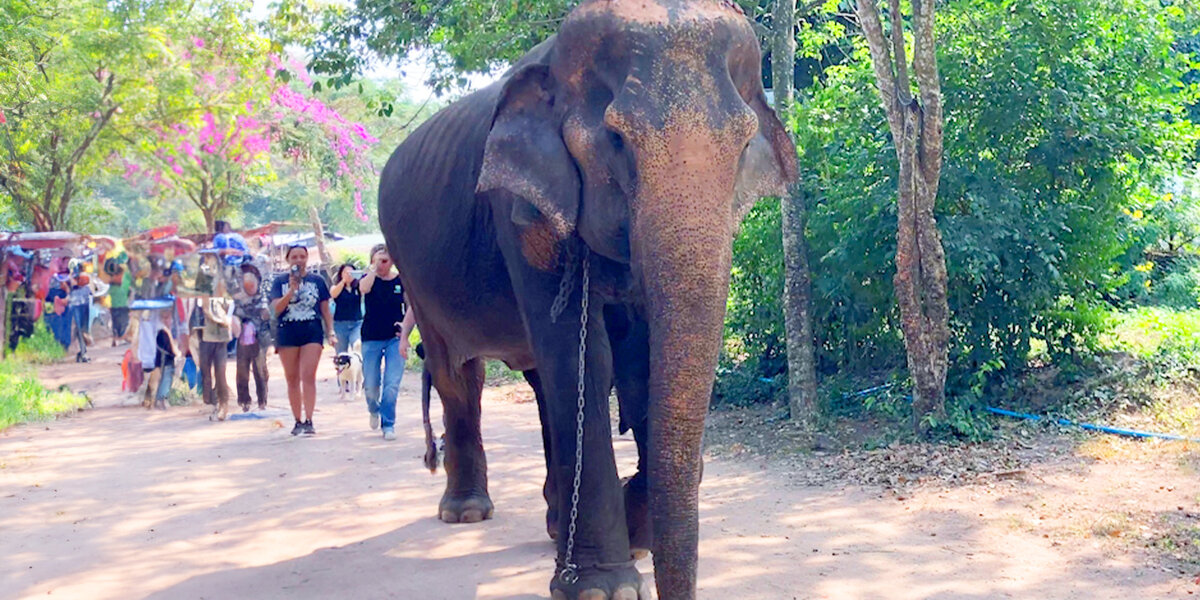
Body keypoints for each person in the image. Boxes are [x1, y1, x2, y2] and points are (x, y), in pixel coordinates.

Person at [270, 245, 336, 436]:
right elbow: (276, 310)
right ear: (288, 260)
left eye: (302, 256)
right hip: (287, 331)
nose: (298, 260)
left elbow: (325, 309)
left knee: (308, 375)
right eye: (294, 257)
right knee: (292, 378)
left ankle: (309, 419)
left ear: (307, 259)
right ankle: (297, 420)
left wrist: (330, 331)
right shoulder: (279, 282)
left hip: (311, 330)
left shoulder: (317, 281)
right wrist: (291, 290)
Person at [358, 244, 416, 440]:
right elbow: (363, 290)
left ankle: (388, 423)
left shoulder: (401, 280)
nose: (382, 264)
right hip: (371, 338)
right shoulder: (368, 279)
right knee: (371, 385)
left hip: (394, 338)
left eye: (385, 261)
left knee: (391, 385)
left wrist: (406, 330)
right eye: (378, 260)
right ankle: (373, 409)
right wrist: (373, 270)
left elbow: (411, 306)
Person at [233, 264, 270, 411]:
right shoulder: (237, 299)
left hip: (259, 339)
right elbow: (234, 315)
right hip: (242, 340)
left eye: (252, 284)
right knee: (242, 370)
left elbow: (267, 317)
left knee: (260, 370)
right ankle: (244, 401)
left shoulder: (263, 297)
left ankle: (262, 401)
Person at [198, 278, 234, 421]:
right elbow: (202, 312)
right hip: (205, 339)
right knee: (205, 372)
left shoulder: (224, 300)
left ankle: (223, 404)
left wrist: (226, 320)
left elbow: (230, 310)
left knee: (220, 373)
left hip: (220, 340)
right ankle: (210, 402)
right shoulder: (203, 300)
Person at [142, 309, 178, 411]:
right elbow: (172, 350)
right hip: (162, 359)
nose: (167, 320)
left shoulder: (148, 327)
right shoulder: (163, 331)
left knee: (154, 380)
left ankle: (151, 400)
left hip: (152, 359)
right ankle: (160, 399)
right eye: (165, 318)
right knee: (165, 375)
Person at [330, 263, 363, 353]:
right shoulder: (336, 287)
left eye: (351, 272)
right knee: (341, 352)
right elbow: (333, 294)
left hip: (356, 323)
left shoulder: (358, 287)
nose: (348, 274)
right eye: (345, 272)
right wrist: (344, 281)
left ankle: (357, 366)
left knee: (357, 346)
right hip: (340, 324)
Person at [102, 263, 133, 346]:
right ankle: (117, 338)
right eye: (117, 276)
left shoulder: (124, 283)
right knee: (117, 323)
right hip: (115, 307)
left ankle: (120, 338)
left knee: (123, 323)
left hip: (123, 307)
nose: (119, 278)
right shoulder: (112, 287)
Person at [67, 273, 91, 363]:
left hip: (84, 309)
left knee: (82, 331)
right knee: (78, 330)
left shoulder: (87, 289)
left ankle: (82, 352)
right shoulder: (72, 289)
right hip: (75, 309)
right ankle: (81, 352)